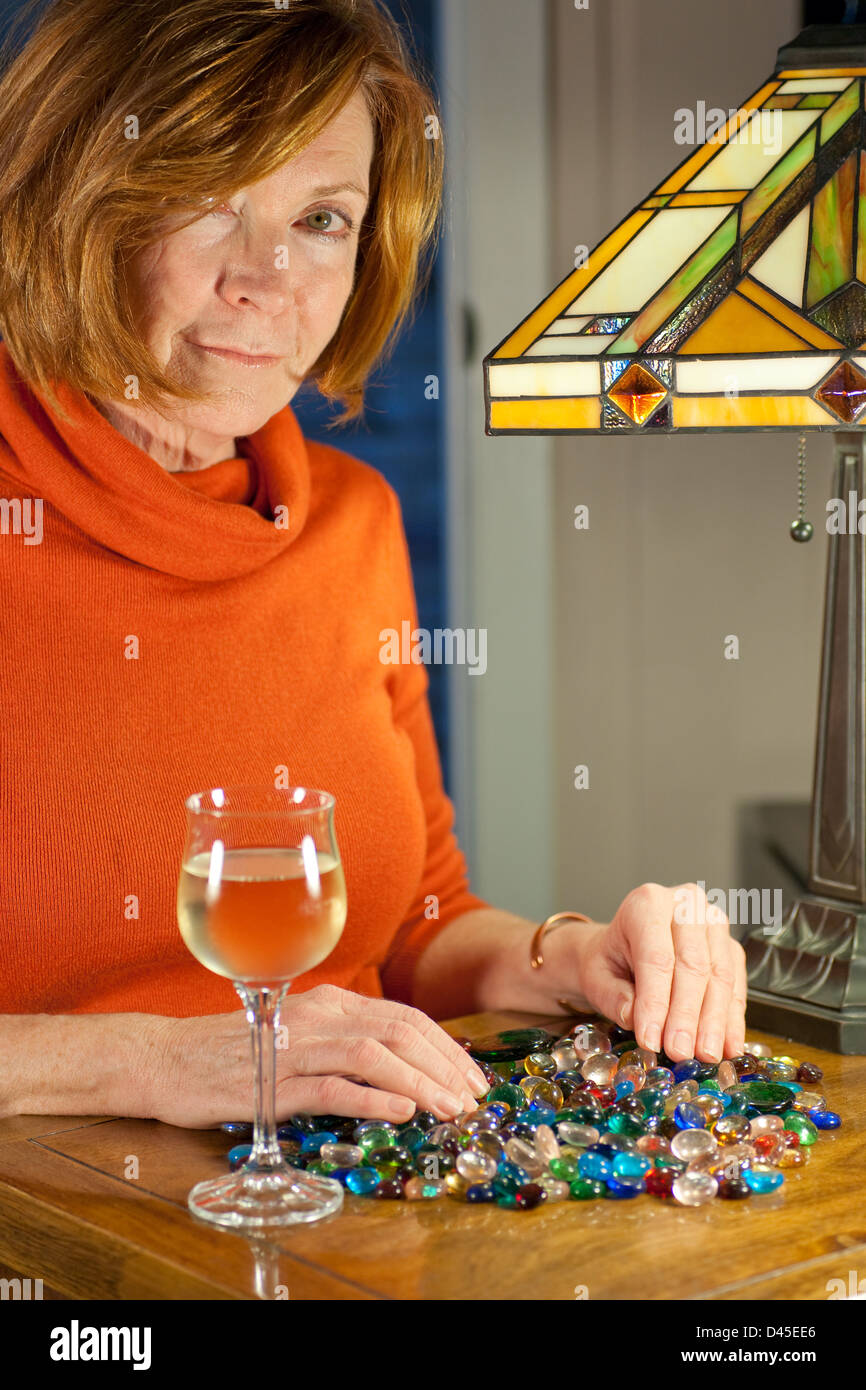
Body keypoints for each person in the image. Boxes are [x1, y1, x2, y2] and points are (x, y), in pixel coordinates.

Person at [0, 0, 746, 1130]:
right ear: (70, 202)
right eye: (208, 203)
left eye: (322, 218)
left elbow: (412, 925)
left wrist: (572, 956)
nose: (270, 280)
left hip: (342, 1224)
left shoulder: (353, 519)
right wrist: (146, 1061)